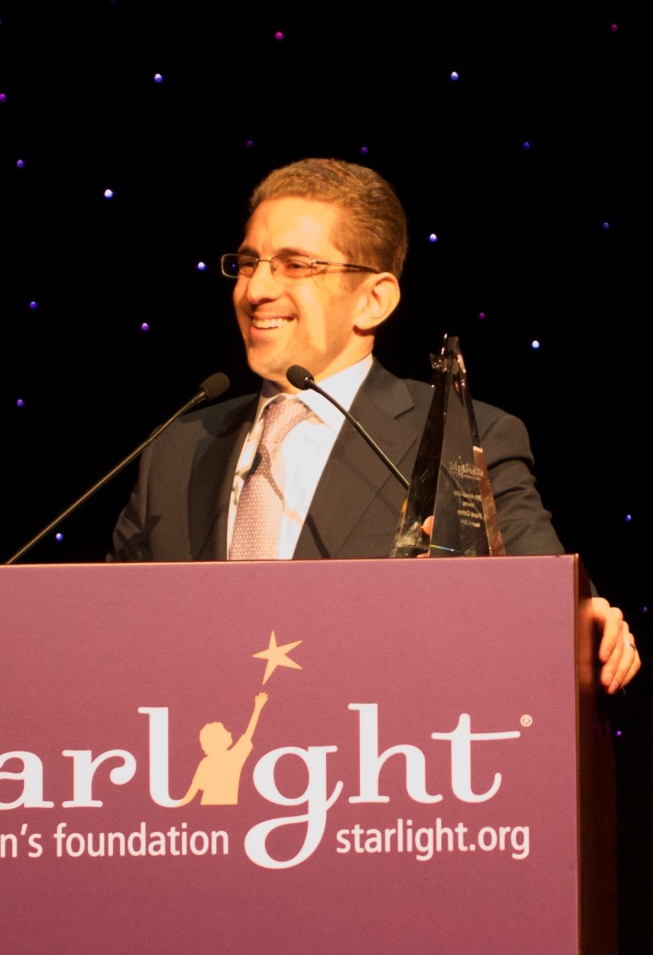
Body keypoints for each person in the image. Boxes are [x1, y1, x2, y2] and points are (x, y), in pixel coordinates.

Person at [108, 157, 640, 693]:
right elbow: (108, 633)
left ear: (374, 300)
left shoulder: (457, 438)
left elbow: (545, 601)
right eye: (249, 263)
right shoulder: (176, 449)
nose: (254, 291)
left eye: (294, 265)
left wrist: (588, 621)